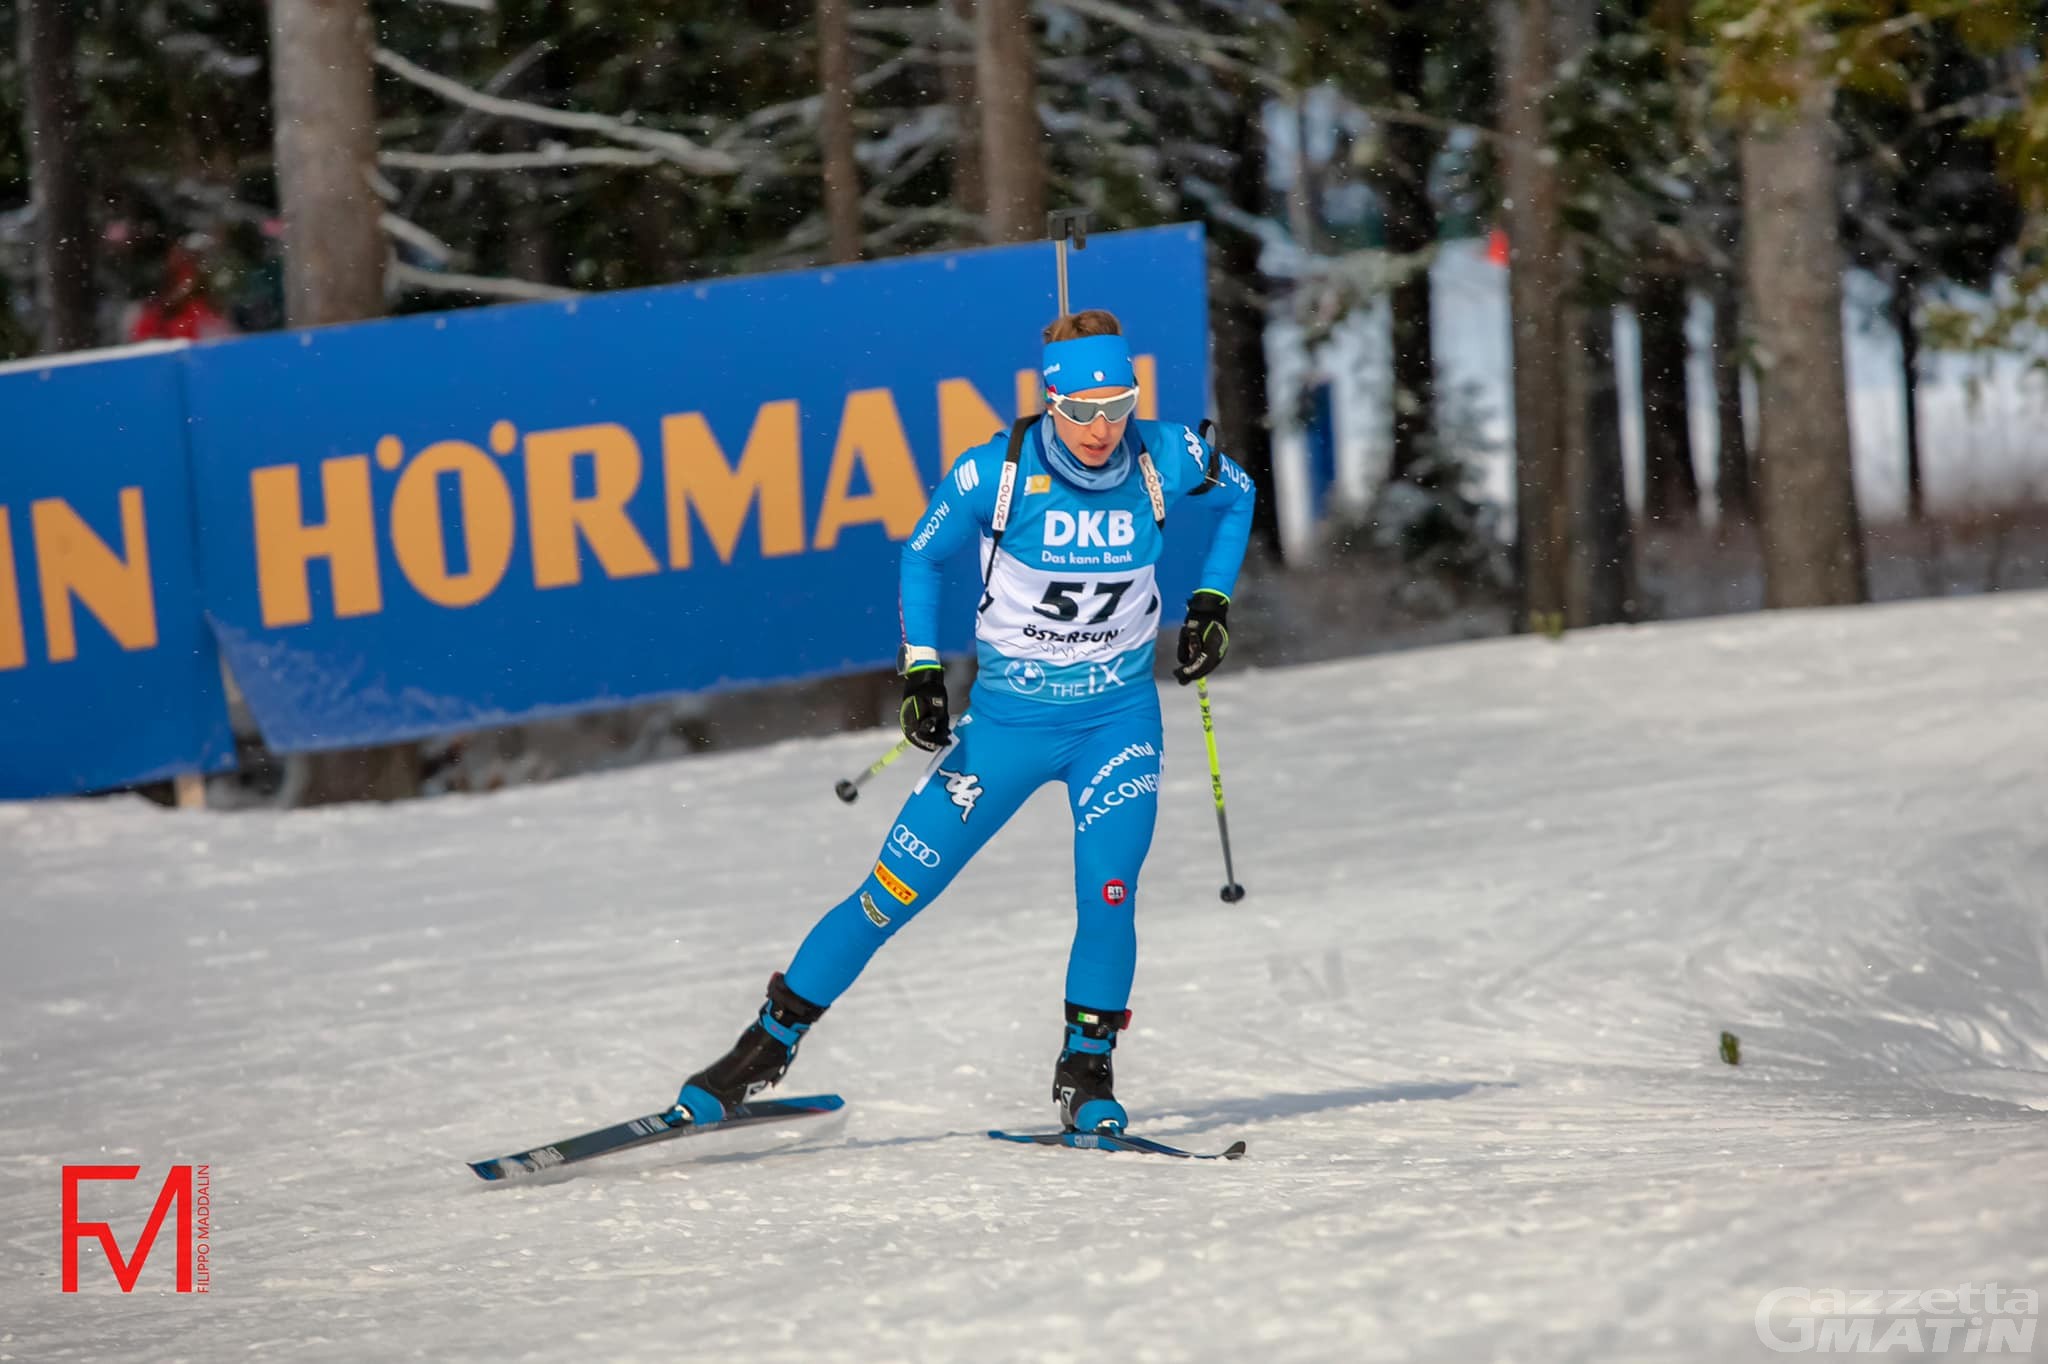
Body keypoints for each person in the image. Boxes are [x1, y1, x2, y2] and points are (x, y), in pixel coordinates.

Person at [676, 308, 1256, 1133]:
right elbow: (921, 554)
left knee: (1111, 896)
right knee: (891, 893)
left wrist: (1211, 600)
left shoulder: (1169, 455)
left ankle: (1086, 1075)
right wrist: (919, 670)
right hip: (1007, 730)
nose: (1101, 429)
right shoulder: (997, 473)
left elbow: (1240, 498)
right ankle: (764, 1048)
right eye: (1082, 410)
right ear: (1050, 402)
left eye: (1118, 405)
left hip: (1117, 722)